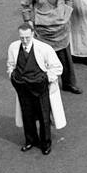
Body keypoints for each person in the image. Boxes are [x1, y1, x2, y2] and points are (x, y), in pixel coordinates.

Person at [7, 23, 65, 155]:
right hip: (23, 88)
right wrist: (13, 76)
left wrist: (45, 80)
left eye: (27, 37)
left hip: (40, 89)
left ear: (33, 34)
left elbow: (57, 68)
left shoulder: (44, 48)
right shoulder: (13, 48)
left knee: (44, 116)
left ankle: (45, 143)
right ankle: (30, 140)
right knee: (27, 115)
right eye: (22, 37)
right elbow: (10, 65)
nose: (25, 40)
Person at [21, 0, 81, 95]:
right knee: (43, 60)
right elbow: (26, 6)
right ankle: (44, 85)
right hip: (43, 32)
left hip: (61, 30)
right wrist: (28, 21)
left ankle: (69, 83)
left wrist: (67, 12)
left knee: (65, 59)